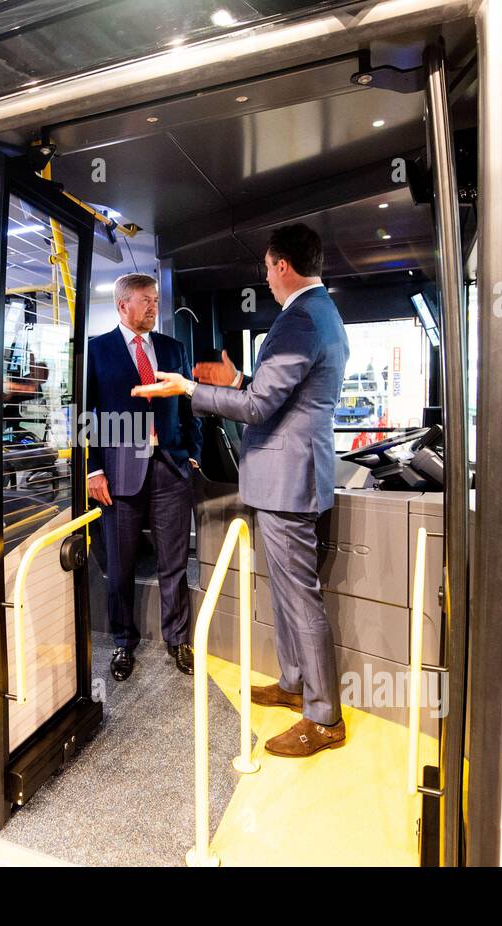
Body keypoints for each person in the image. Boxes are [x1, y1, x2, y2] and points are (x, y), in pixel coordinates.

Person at [133, 224, 350, 757]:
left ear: (281, 266)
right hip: (295, 478)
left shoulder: (299, 318)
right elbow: (274, 394)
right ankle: (295, 683)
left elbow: (259, 408)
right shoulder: (322, 313)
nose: (268, 280)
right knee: (288, 594)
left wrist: (190, 388)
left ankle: (324, 718)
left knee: (301, 600)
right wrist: (232, 384)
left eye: (269, 268)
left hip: (286, 485)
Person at [87, 273, 202, 682]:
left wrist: (193, 456)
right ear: (123, 306)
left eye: (155, 301)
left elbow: (190, 409)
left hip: (171, 467)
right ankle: (122, 642)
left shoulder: (173, 349)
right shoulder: (95, 351)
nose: (154, 307)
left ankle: (178, 639)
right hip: (118, 473)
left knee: (174, 562)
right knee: (119, 564)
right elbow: (86, 414)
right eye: (146, 301)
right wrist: (93, 469)